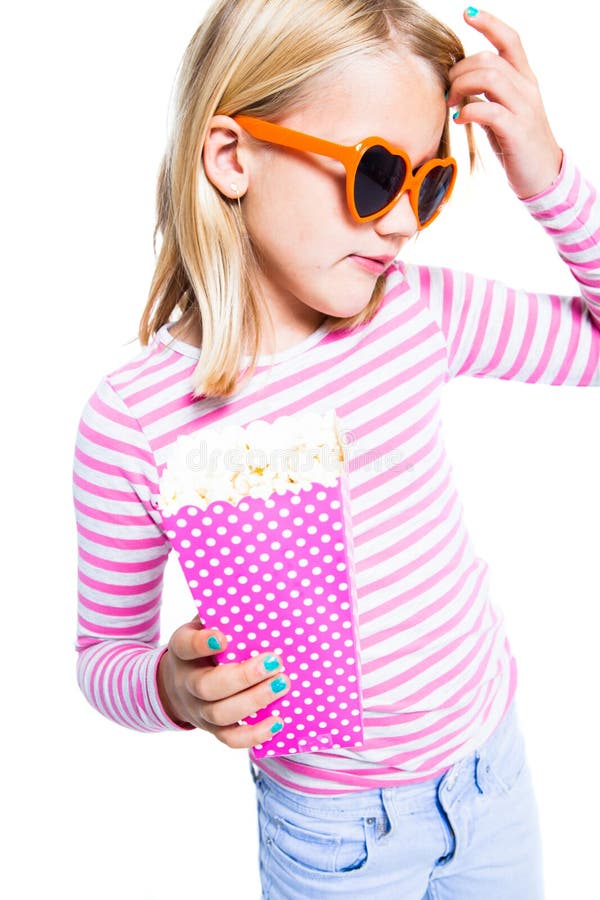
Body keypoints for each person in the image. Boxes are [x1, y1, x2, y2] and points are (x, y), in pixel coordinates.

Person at [72, 2, 599, 897]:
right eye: (375, 174)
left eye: (428, 184)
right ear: (233, 156)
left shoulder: (419, 311)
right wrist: (174, 688)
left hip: (490, 777)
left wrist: (546, 175)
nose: (402, 223)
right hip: (335, 836)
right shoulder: (133, 419)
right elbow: (100, 660)